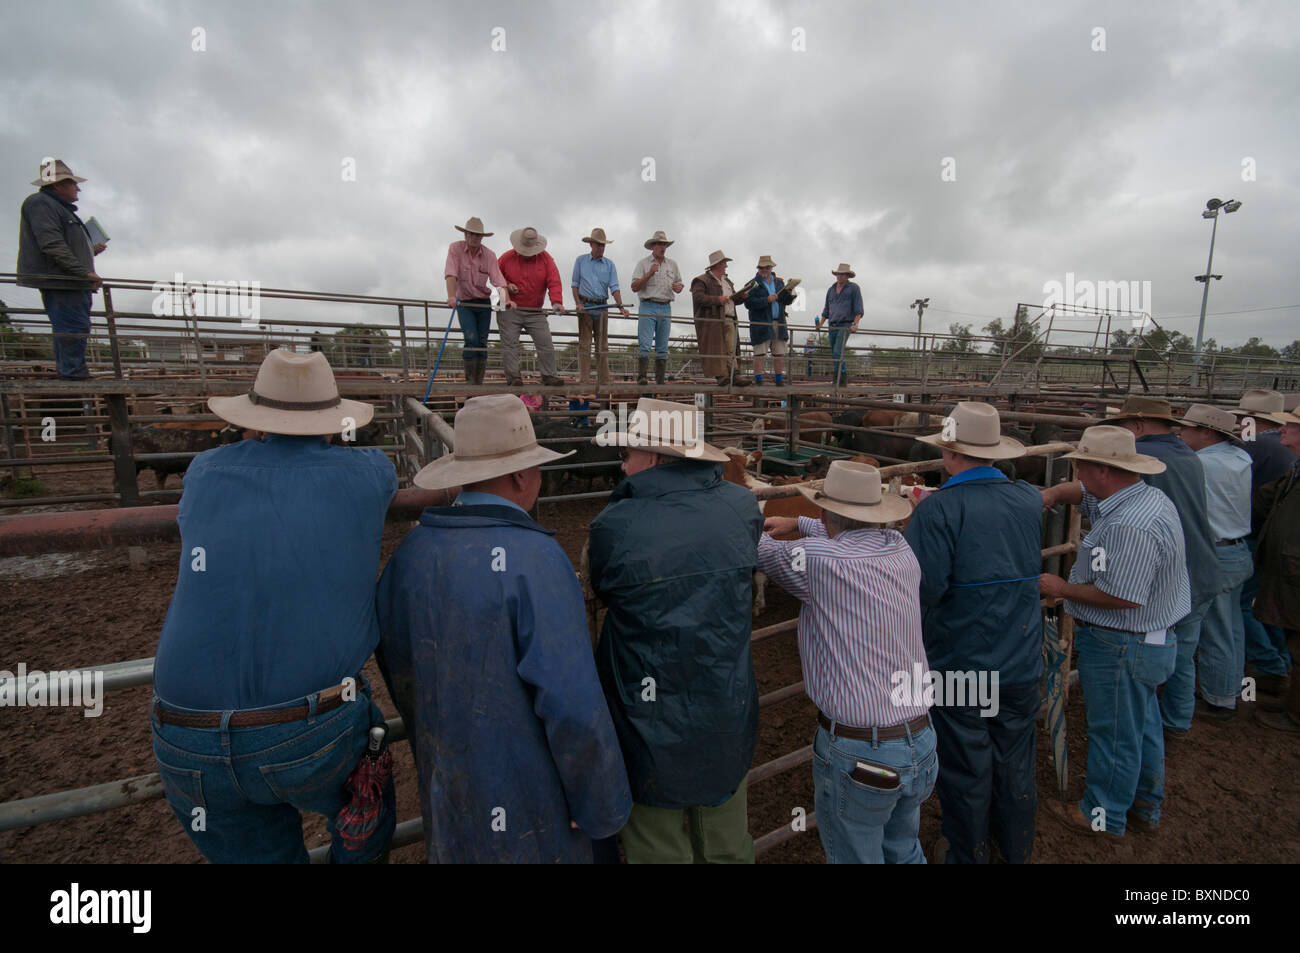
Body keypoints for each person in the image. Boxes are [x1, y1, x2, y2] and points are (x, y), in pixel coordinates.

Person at [151, 350, 398, 863]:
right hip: (308, 732)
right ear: (332, 423)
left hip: (184, 734)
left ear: (253, 421)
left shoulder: (203, 471)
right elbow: (377, 469)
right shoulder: (371, 473)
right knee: (369, 801)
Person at [377, 393, 632, 862]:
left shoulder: (407, 558)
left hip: (450, 793)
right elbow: (572, 703)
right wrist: (600, 803)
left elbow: (400, 673)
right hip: (533, 807)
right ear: (521, 475)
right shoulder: (537, 562)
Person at [587, 397, 761, 862]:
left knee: (656, 842)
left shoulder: (614, 524)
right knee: (726, 836)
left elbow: (604, 590)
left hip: (646, 711)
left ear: (656, 458)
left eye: (628, 454)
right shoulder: (743, 506)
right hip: (725, 699)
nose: (622, 465)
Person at [758, 461, 936, 863]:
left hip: (861, 753)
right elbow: (855, 536)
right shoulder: (900, 549)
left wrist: (767, 517)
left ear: (824, 513)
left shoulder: (819, 560)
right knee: (904, 849)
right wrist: (801, 523)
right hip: (919, 740)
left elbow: (758, 547)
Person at [902, 402, 1043, 864]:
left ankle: (968, 852)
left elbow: (926, 588)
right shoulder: (1026, 499)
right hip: (1021, 659)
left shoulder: (939, 510)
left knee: (966, 766)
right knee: (1015, 759)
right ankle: (1015, 848)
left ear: (949, 450)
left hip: (962, 663)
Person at [1039, 426, 1190, 837]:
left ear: (1102, 470)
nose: (1077, 473)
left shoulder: (1129, 526)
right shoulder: (1141, 498)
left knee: (1113, 733)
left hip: (1123, 642)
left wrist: (1061, 588)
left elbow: (1122, 596)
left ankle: (1103, 815)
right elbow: (1082, 496)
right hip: (1150, 640)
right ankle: (1145, 802)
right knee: (1142, 726)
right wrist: (1051, 495)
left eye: (1080, 466)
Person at [1099, 396, 1219, 727]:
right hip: (1201, 566)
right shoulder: (1189, 455)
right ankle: (1177, 720)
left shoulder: (1143, 459)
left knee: (1152, 655)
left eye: (1124, 428)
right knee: (1182, 652)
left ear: (1136, 426)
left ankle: (1146, 725)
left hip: (1167, 576)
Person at [1168, 405, 1255, 724]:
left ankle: (1219, 701)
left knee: (1213, 629)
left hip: (1215, 554)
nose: (1180, 433)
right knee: (1230, 626)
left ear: (1206, 433)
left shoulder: (1200, 464)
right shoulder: (1239, 458)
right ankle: (1230, 690)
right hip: (1236, 550)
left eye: (1187, 428)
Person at [16, 159, 107, 380]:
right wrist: (84, 272)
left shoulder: (58, 209)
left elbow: (61, 246)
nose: (78, 188)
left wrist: (90, 251)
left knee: (75, 326)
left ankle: (74, 372)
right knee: (71, 327)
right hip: (63, 282)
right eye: (73, 184)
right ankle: (73, 374)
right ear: (58, 185)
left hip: (71, 280)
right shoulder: (40, 203)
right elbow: (51, 245)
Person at [1231, 390, 1297, 690]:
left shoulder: (1255, 446)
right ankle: (1281, 661)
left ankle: (1268, 665)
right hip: (1274, 540)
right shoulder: (1286, 454)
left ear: (1250, 418)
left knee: (1244, 604)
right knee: (1267, 601)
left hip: (1252, 536)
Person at [1253, 411, 1300, 733]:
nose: (1282, 429)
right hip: (1288, 564)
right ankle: (1289, 697)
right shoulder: (1295, 468)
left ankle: (1296, 715)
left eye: (1292, 425)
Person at [445, 216, 513, 385]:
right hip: (464, 301)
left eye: (477, 235)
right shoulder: (455, 249)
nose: (474, 238)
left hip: (482, 301)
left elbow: (498, 280)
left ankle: (478, 384)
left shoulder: (489, 255)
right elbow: (451, 273)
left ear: (482, 237)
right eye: (471, 234)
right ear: (465, 235)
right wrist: (452, 296)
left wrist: (506, 301)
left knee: (482, 342)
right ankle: (470, 384)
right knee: (471, 339)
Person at [497, 226, 565, 387]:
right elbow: (495, 279)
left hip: (534, 309)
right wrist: (507, 285)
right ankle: (513, 377)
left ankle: (549, 375)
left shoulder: (546, 259)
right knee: (509, 343)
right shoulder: (506, 258)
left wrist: (556, 302)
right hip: (509, 306)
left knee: (545, 341)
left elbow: (554, 281)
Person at [571, 227, 629, 385]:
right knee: (584, 343)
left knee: (602, 344)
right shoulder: (580, 261)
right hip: (585, 305)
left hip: (602, 306)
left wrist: (621, 307)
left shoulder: (609, 265)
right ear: (591, 244)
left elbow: (614, 287)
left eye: (603, 245)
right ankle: (584, 378)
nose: (601, 248)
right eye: (598, 245)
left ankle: (604, 379)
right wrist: (577, 303)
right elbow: (575, 284)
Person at [689, 250, 751, 387]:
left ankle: (734, 374)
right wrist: (717, 300)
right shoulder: (701, 281)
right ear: (717, 265)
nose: (726, 266)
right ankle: (722, 375)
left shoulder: (727, 282)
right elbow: (698, 298)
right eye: (724, 263)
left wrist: (741, 297)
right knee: (717, 348)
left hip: (729, 318)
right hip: (713, 321)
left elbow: (732, 300)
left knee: (731, 348)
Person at [630, 230, 684, 386]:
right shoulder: (643, 263)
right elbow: (634, 286)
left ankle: (660, 380)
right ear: (653, 246)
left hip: (666, 306)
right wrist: (649, 274)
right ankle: (642, 377)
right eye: (660, 244)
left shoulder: (672, 264)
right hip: (648, 304)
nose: (663, 247)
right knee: (645, 343)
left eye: (665, 244)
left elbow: (679, 284)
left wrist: (678, 287)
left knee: (662, 346)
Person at [741, 256, 797, 386]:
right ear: (758, 269)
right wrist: (766, 300)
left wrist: (791, 291)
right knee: (760, 352)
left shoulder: (779, 283)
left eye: (767, 267)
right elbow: (748, 303)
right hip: (761, 323)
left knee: (779, 352)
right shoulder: (751, 284)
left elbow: (787, 301)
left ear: (771, 268)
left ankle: (779, 380)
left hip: (779, 321)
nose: (765, 270)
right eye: (762, 267)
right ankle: (758, 380)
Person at [816, 263, 863, 387]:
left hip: (845, 323)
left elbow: (858, 308)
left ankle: (840, 379)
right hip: (832, 324)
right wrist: (820, 324)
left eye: (843, 274)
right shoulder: (831, 290)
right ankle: (839, 378)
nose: (840, 276)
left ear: (848, 276)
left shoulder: (853, 288)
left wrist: (855, 324)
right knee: (835, 352)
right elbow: (827, 309)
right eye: (838, 274)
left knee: (837, 351)